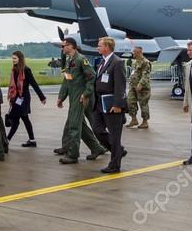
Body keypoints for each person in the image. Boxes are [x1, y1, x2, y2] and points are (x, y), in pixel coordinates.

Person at [55, 37, 108, 164]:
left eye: (64, 46)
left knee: (74, 125)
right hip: (74, 96)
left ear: (71, 46)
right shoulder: (69, 61)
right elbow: (67, 80)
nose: (62, 48)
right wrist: (61, 97)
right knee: (80, 125)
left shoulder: (81, 59)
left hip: (81, 97)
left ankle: (73, 155)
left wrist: (86, 94)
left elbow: (92, 77)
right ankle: (96, 148)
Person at [91, 37, 127, 174]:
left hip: (112, 104)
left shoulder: (117, 62)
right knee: (97, 129)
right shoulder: (102, 61)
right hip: (100, 103)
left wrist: (118, 104)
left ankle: (114, 166)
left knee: (114, 136)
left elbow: (120, 85)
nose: (97, 47)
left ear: (107, 47)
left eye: (99, 45)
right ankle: (118, 150)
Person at [5, 50, 46, 147]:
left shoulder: (26, 70)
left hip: (24, 98)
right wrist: (11, 98)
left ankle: (6, 141)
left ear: (20, 59)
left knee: (17, 119)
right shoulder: (14, 70)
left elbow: (34, 84)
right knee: (24, 118)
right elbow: (13, 86)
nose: (13, 60)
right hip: (16, 98)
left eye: (15, 58)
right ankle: (32, 140)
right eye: (12, 58)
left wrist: (41, 97)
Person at [126, 46, 151, 129]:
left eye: (134, 52)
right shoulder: (134, 62)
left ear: (138, 52)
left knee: (143, 104)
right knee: (130, 101)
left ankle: (145, 122)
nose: (132, 53)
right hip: (133, 86)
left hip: (143, 88)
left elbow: (146, 75)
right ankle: (134, 119)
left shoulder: (145, 62)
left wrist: (141, 84)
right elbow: (134, 73)